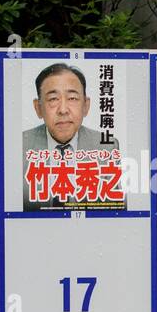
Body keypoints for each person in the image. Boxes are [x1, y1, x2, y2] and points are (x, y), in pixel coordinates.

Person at [21, 62, 119, 211]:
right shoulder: (19, 145)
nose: (63, 110)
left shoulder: (106, 146)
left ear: (85, 106)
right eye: (53, 99)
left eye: (72, 98)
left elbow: (116, 210)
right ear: (38, 108)